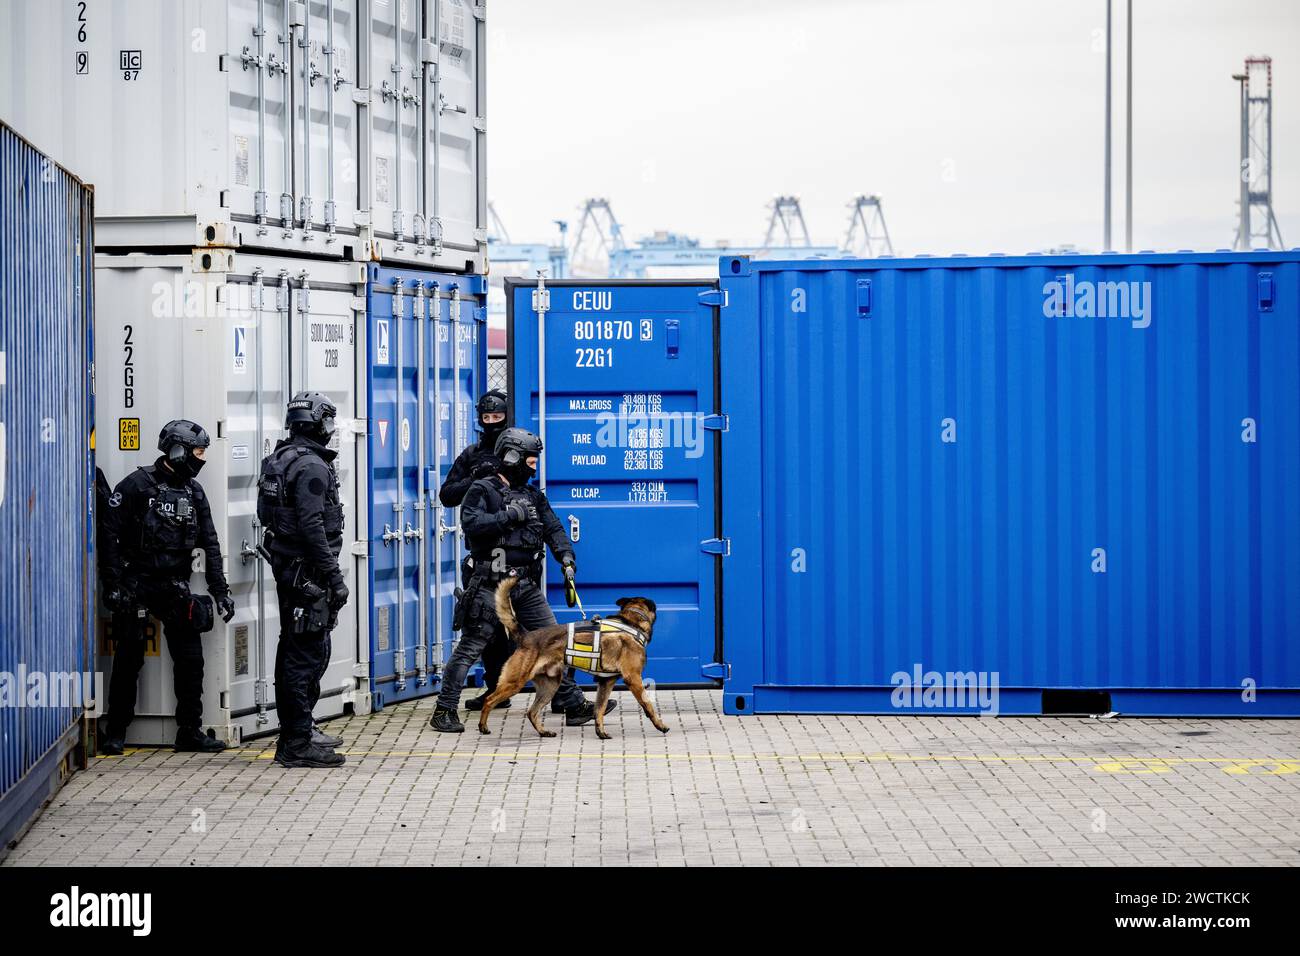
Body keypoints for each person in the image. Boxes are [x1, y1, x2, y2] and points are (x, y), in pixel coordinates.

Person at [429, 427, 614, 733]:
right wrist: (508, 516)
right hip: (490, 582)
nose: (534, 466)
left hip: (524, 585)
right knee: (472, 645)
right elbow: (471, 523)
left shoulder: (532, 495)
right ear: (512, 457)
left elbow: (553, 529)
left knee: (555, 641)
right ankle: (444, 709)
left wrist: (566, 558)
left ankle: (571, 703)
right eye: (530, 460)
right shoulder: (482, 489)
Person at [99, 420, 235, 755]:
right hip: (137, 584)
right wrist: (113, 583)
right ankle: (115, 732)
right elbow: (109, 537)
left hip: (175, 587)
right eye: (198, 451)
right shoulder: (135, 486)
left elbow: (210, 544)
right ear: (178, 450)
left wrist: (221, 591)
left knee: (191, 660)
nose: (201, 459)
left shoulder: (194, 492)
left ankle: (189, 731)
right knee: (129, 658)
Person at [258, 391, 350, 768]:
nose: (332, 428)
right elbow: (312, 526)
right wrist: (334, 577)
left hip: (289, 568)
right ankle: (296, 743)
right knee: (306, 654)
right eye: (328, 420)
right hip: (307, 572)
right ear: (318, 423)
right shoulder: (311, 466)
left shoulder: (278, 459)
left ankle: (300, 731)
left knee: (296, 649)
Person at [438, 389, 513, 709]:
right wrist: (474, 478)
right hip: (481, 557)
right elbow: (446, 495)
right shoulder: (471, 455)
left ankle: (563, 697)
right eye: (487, 418)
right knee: (484, 628)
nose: (493, 423)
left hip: (515, 554)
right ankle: (495, 689)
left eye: (498, 417)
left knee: (531, 628)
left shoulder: (516, 449)